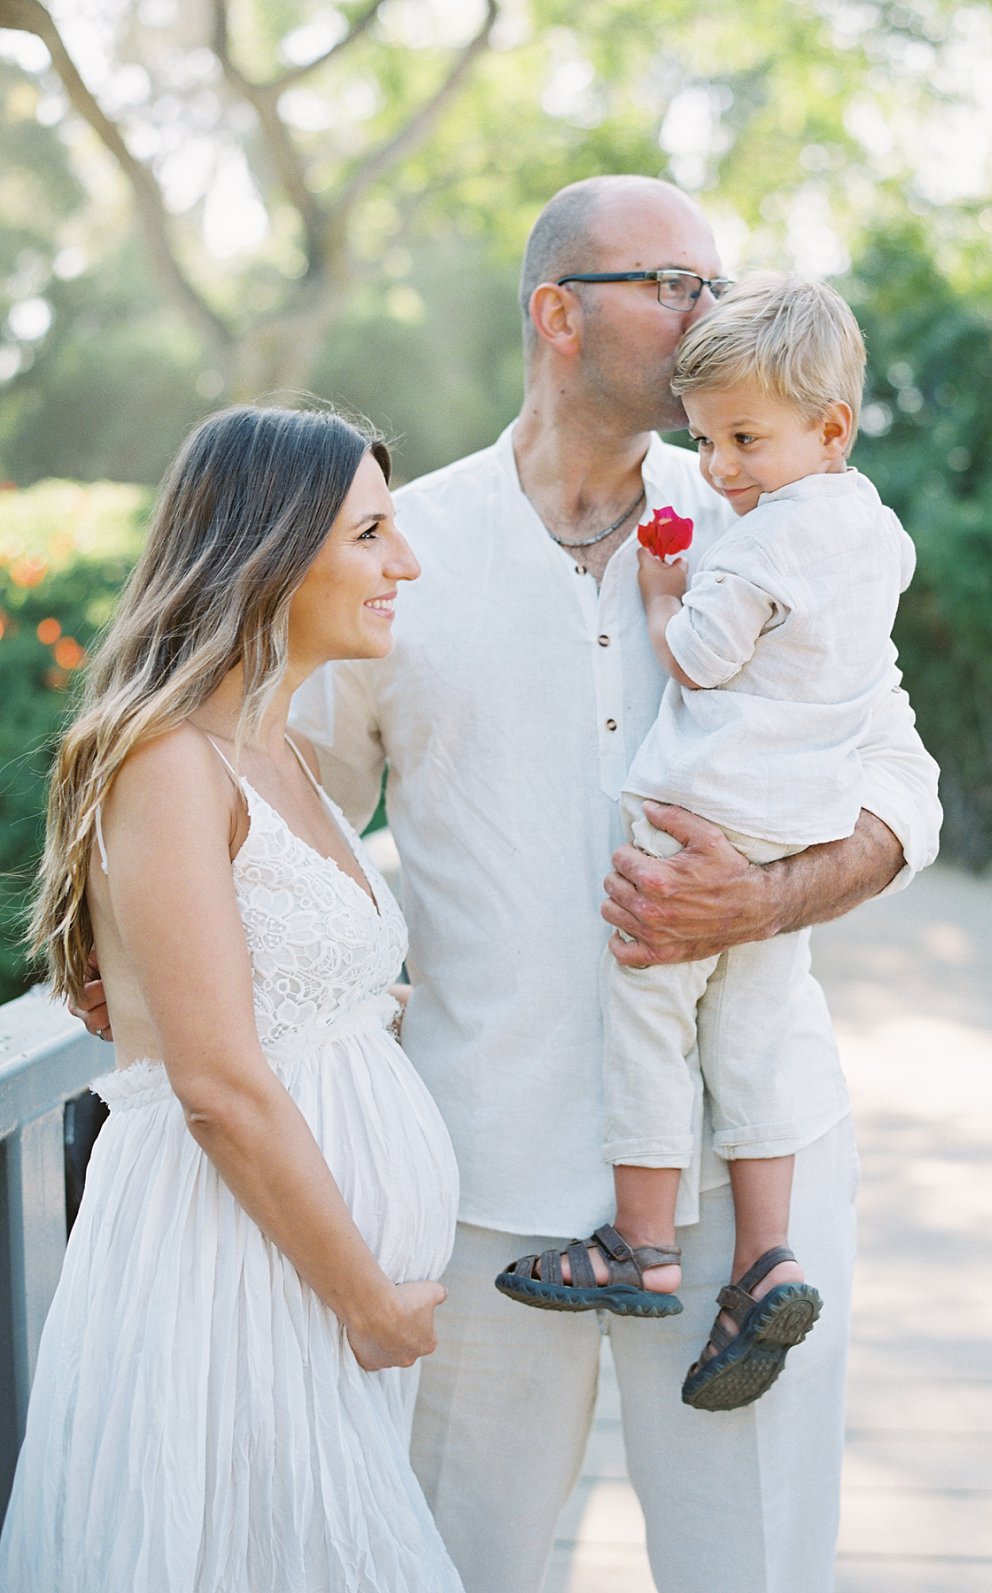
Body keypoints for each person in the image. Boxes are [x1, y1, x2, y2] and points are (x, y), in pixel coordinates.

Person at [78, 175, 940, 1593]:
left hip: (749, 1176)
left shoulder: (774, 503)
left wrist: (766, 901)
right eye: (673, 283)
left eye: (715, 284)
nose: (709, 312)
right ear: (558, 315)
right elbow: (264, 790)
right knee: (454, 1569)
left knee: (761, 1571)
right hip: (479, 1184)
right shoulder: (389, 550)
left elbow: (903, 785)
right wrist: (117, 930)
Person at [3, 406, 464, 1592]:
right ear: (271, 550)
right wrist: (367, 1303)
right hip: (235, 1280)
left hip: (303, 1287)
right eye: (371, 534)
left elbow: (284, 991)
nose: (403, 563)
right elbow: (212, 1083)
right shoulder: (168, 761)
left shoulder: (282, 746)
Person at [496, 271, 916, 1418]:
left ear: (829, 427)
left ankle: (642, 1240)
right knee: (756, 1035)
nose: (722, 468)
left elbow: (700, 658)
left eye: (743, 440)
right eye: (707, 441)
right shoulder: (875, 530)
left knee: (649, 1010)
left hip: (702, 814)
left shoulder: (760, 542)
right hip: (800, 820)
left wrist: (664, 589)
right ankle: (768, 1256)